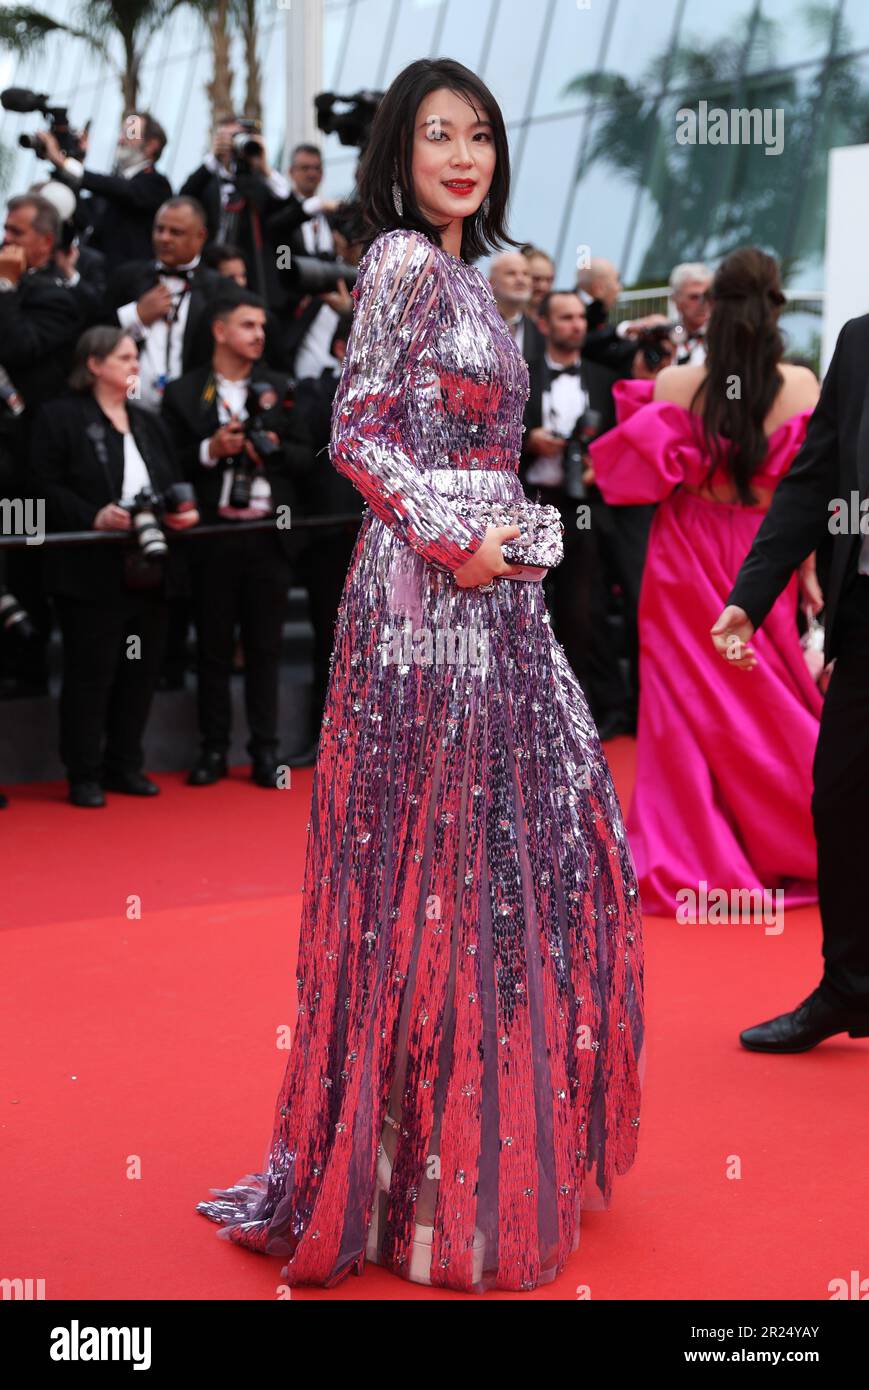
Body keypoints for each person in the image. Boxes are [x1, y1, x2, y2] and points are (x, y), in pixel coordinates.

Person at [196, 57, 644, 1294]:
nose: (462, 155)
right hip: (422, 606)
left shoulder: (465, 277)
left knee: (518, 851)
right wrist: (458, 541)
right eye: (437, 134)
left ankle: (444, 1167)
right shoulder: (398, 262)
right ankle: (416, 1185)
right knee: (451, 865)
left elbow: (481, 452)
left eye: (481, 136)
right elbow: (356, 435)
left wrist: (513, 541)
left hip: (490, 596)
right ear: (396, 152)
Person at [589, 247, 824, 918]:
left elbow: (628, 482)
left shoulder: (673, 385)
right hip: (764, 554)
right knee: (771, 701)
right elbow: (807, 491)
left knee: (684, 714)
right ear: (774, 307)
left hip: (684, 554)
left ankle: (698, 857)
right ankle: (806, 840)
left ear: (711, 306)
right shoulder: (802, 385)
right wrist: (806, 565)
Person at [712, 304, 869, 1053]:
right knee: (841, 800)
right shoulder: (860, 340)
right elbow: (813, 484)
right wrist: (750, 596)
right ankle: (848, 988)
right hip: (866, 615)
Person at [29, 327, 197, 807]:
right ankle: (83, 773)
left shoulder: (147, 420)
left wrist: (180, 509)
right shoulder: (59, 417)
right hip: (91, 571)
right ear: (94, 364)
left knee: (140, 669)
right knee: (91, 672)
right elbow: (41, 485)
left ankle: (126, 763)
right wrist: (93, 515)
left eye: (135, 358)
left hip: (151, 564)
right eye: (124, 357)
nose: (134, 366)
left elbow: (171, 478)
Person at [161, 287, 313, 788]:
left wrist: (266, 451)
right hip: (211, 536)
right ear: (219, 330)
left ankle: (266, 754)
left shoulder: (281, 386)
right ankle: (212, 751)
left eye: (263, 327)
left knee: (265, 649)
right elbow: (165, 464)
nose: (259, 335)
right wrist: (210, 448)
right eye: (248, 325)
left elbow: (308, 458)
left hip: (268, 535)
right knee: (212, 649)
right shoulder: (184, 393)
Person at [520, 288, 632, 736]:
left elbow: (625, 444)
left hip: (584, 509)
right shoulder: (522, 378)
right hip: (532, 504)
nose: (576, 326)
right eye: (565, 318)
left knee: (583, 610)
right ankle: (532, 714)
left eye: (580, 319)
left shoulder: (606, 380)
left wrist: (595, 466)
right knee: (530, 610)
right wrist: (530, 441)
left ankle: (580, 715)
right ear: (543, 324)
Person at [106, 196, 223, 410]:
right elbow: (95, 333)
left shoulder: (219, 289)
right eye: (159, 229)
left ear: (200, 237)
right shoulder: (127, 277)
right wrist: (135, 315)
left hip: (188, 411)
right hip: (129, 401)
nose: (164, 238)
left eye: (175, 232)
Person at [41, 112, 172, 272]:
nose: (121, 140)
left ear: (151, 144)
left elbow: (123, 190)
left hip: (123, 283)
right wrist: (74, 160)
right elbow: (83, 217)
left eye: (131, 133)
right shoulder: (110, 188)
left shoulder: (156, 184)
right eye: (122, 133)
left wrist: (65, 163)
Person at [181, 116, 290, 302]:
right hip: (211, 264)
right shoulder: (208, 177)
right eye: (227, 138)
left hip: (253, 270)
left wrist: (264, 167)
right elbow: (184, 197)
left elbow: (285, 201)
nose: (232, 143)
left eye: (238, 137)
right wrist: (212, 160)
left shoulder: (256, 179)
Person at [488, 251, 544, 362]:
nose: (520, 280)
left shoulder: (540, 335)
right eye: (511, 273)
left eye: (526, 274)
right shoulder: (475, 325)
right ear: (491, 282)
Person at [669, 262, 712, 366]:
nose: (703, 304)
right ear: (675, 300)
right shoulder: (663, 337)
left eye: (707, 296)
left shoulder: (725, 337)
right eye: (694, 297)